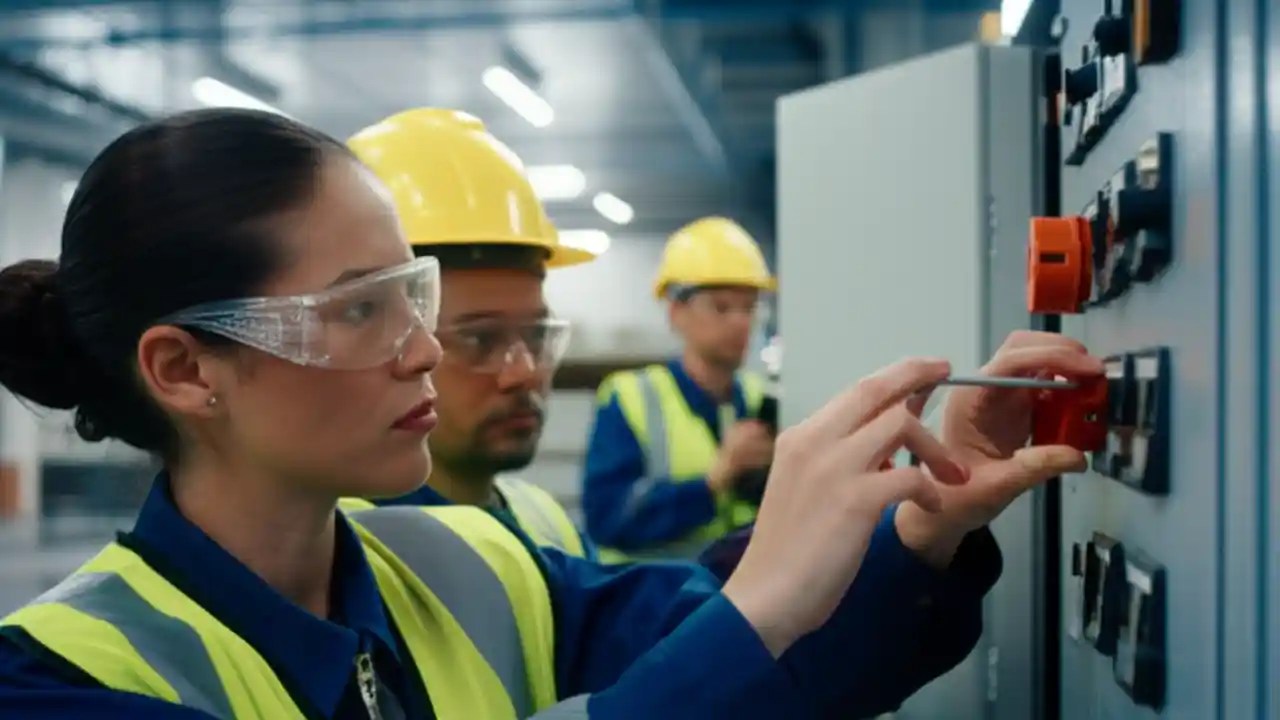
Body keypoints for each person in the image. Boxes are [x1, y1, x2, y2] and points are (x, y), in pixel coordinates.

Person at [0, 108, 1103, 719]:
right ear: (186, 371)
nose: (428, 349)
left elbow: (785, 674)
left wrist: (924, 520)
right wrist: (756, 605)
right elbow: (738, 641)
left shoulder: (473, 563)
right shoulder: (57, 680)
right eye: (362, 310)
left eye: (415, 301)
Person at [339, 109, 595, 559]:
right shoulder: (346, 554)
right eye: (481, 340)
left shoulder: (543, 519)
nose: (524, 374)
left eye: (536, 337)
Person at [582, 217, 776, 562]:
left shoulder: (760, 397)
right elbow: (607, 519)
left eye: (749, 307)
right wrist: (714, 480)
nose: (740, 322)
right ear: (676, 312)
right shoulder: (629, 398)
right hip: (652, 605)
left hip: (738, 603)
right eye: (721, 307)